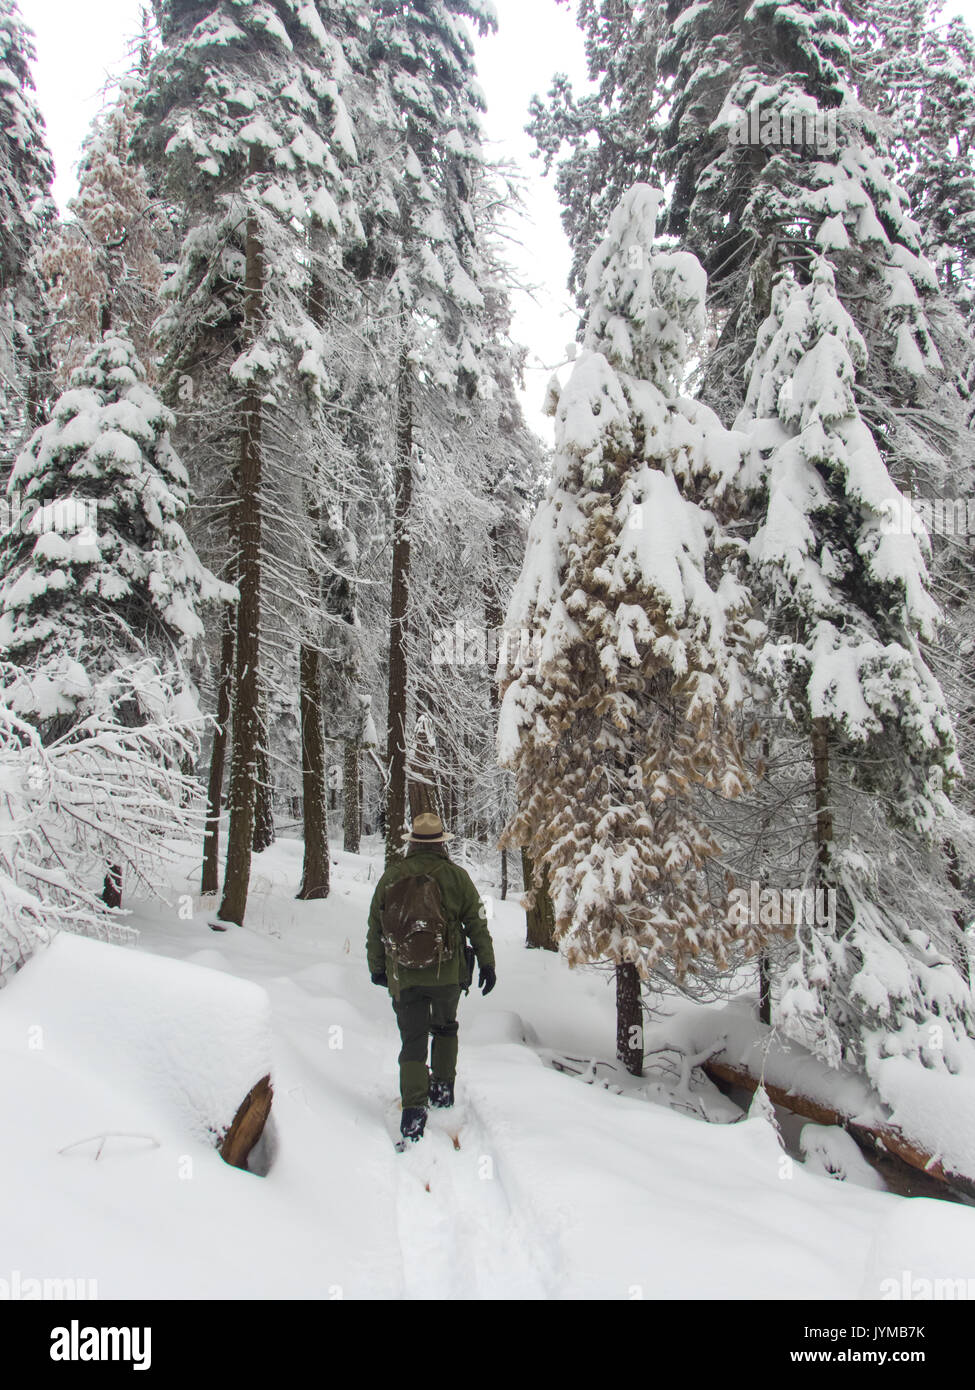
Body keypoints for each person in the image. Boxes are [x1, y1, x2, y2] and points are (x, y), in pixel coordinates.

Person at [367, 812, 496, 1145]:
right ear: (441, 842)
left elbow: (375, 928)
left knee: (412, 1040)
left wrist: (377, 968)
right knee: (444, 1028)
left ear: (412, 844)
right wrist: (487, 963)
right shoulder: (456, 877)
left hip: (405, 977)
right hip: (447, 974)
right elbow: (477, 923)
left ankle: (412, 1113)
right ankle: (442, 1093)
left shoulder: (391, 877)